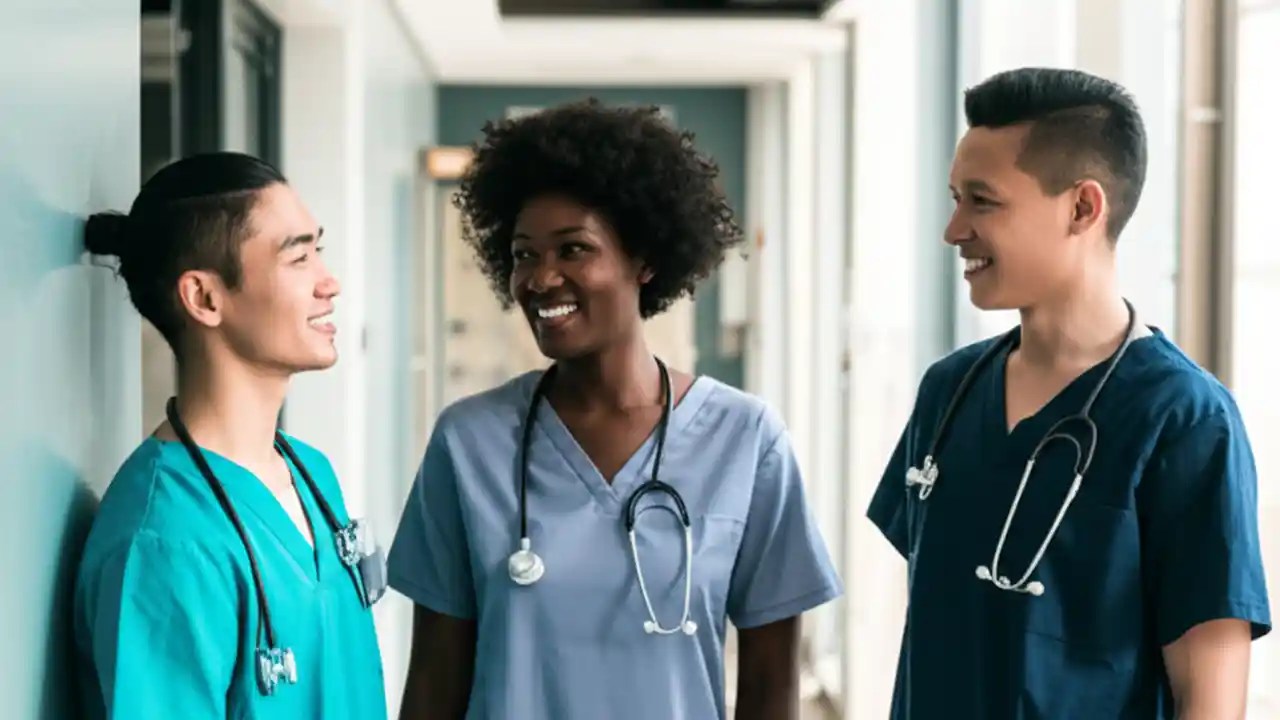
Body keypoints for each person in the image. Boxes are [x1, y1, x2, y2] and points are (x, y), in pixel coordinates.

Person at [388, 99, 843, 719]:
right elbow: (434, 682)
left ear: (644, 258)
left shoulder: (745, 440)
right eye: (525, 254)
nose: (542, 279)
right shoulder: (469, 442)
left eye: (573, 249)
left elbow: (771, 685)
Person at [867, 67, 1272, 718]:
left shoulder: (1184, 419)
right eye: (954, 199)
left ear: (1082, 207)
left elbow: (1212, 698)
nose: (953, 229)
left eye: (982, 201)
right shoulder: (949, 391)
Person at [74, 152, 388, 719]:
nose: (329, 282)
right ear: (205, 298)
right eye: (299, 258)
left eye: (320, 249)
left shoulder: (312, 474)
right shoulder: (164, 539)